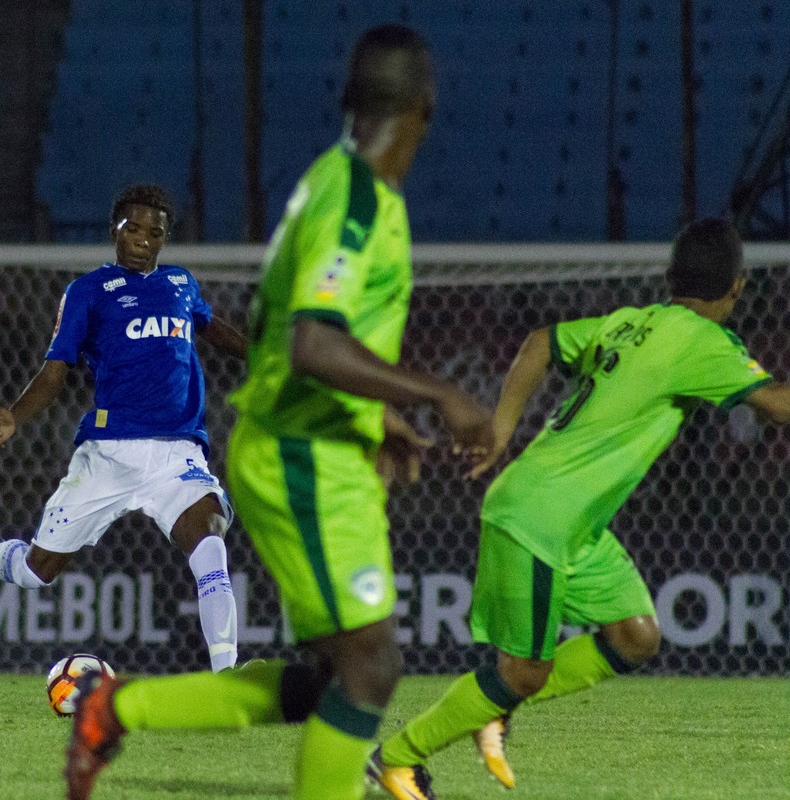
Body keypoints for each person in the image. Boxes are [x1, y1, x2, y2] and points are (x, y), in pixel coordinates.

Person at [62, 25, 493, 800]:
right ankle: (118, 710)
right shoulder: (356, 201)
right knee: (370, 666)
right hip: (300, 452)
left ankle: (115, 708)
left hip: (317, 440)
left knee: (333, 677)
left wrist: (374, 415)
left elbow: (274, 327)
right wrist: (437, 395)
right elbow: (311, 343)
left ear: (346, 100)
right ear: (427, 107)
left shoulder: (333, 182)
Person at [366, 217, 790, 799]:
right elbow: (781, 408)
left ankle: (497, 705)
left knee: (636, 635)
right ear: (737, 286)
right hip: (541, 516)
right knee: (523, 669)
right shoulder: (704, 343)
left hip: (571, 522)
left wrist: (501, 428)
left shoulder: (629, 323)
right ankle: (397, 759)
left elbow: (541, 341)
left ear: (671, 276)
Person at [0, 183, 249, 674]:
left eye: (153, 233)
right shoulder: (89, 291)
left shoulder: (181, 284)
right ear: (114, 231)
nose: (142, 239)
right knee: (37, 572)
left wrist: (266, 357)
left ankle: (228, 678)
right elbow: (56, 370)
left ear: (164, 240)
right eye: (132, 229)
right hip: (108, 454)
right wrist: (15, 416)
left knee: (211, 548)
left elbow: (211, 327)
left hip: (177, 454)